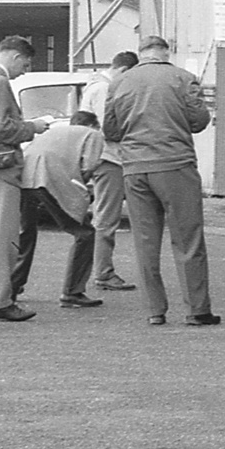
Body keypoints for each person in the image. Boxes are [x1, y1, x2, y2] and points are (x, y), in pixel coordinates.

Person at [104, 36, 219, 327]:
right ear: (166, 53)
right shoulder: (184, 78)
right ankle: (197, 309)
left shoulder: (119, 82)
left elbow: (111, 129)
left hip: (134, 168)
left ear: (141, 55)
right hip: (175, 164)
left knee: (145, 241)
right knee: (188, 238)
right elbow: (200, 121)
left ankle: (154, 310)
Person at [0, 35, 50, 321]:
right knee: (4, 237)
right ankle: (1, 301)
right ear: (15, 57)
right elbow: (0, 128)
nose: (25, 71)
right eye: (25, 64)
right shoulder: (0, 82)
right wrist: (33, 127)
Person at [11, 109, 105, 309]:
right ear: (92, 125)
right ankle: (73, 291)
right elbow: (90, 165)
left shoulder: (54, 132)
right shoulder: (93, 134)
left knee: (25, 233)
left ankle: (11, 287)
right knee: (85, 233)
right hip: (49, 178)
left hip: (25, 178)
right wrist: (82, 191)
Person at [82, 51, 138, 291]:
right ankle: (103, 272)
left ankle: (101, 270)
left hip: (103, 156)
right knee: (107, 217)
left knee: (105, 215)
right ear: (124, 71)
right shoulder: (105, 90)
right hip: (110, 158)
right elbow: (110, 128)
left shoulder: (93, 85)